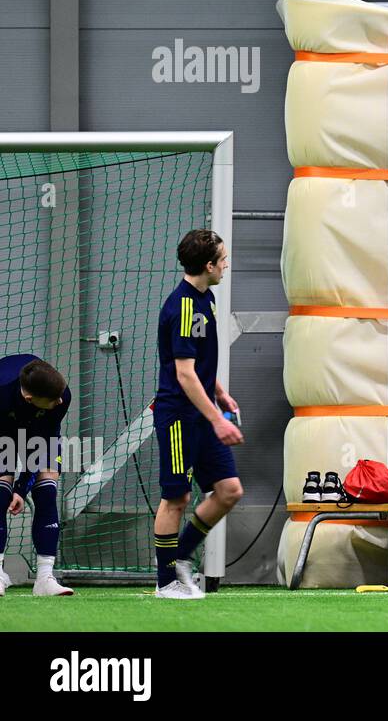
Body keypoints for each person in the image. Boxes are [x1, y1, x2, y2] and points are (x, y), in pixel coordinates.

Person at [152, 229, 244, 600]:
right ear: (208, 265)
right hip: (179, 416)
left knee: (228, 491)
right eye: (222, 259)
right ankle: (165, 582)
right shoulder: (184, 306)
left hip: (203, 413)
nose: (226, 264)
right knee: (176, 498)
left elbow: (201, 364)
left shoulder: (208, 300)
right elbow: (185, 373)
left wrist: (220, 393)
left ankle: (181, 558)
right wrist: (218, 419)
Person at [0, 355, 75, 596]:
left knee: (47, 488)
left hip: (40, 431)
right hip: (3, 429)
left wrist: (22, 489)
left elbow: (43, 447)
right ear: (29, 397)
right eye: (54, 399)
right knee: (1, 489)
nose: (60, 401)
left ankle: (45, 578)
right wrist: (11, 486)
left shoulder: (60, 396)